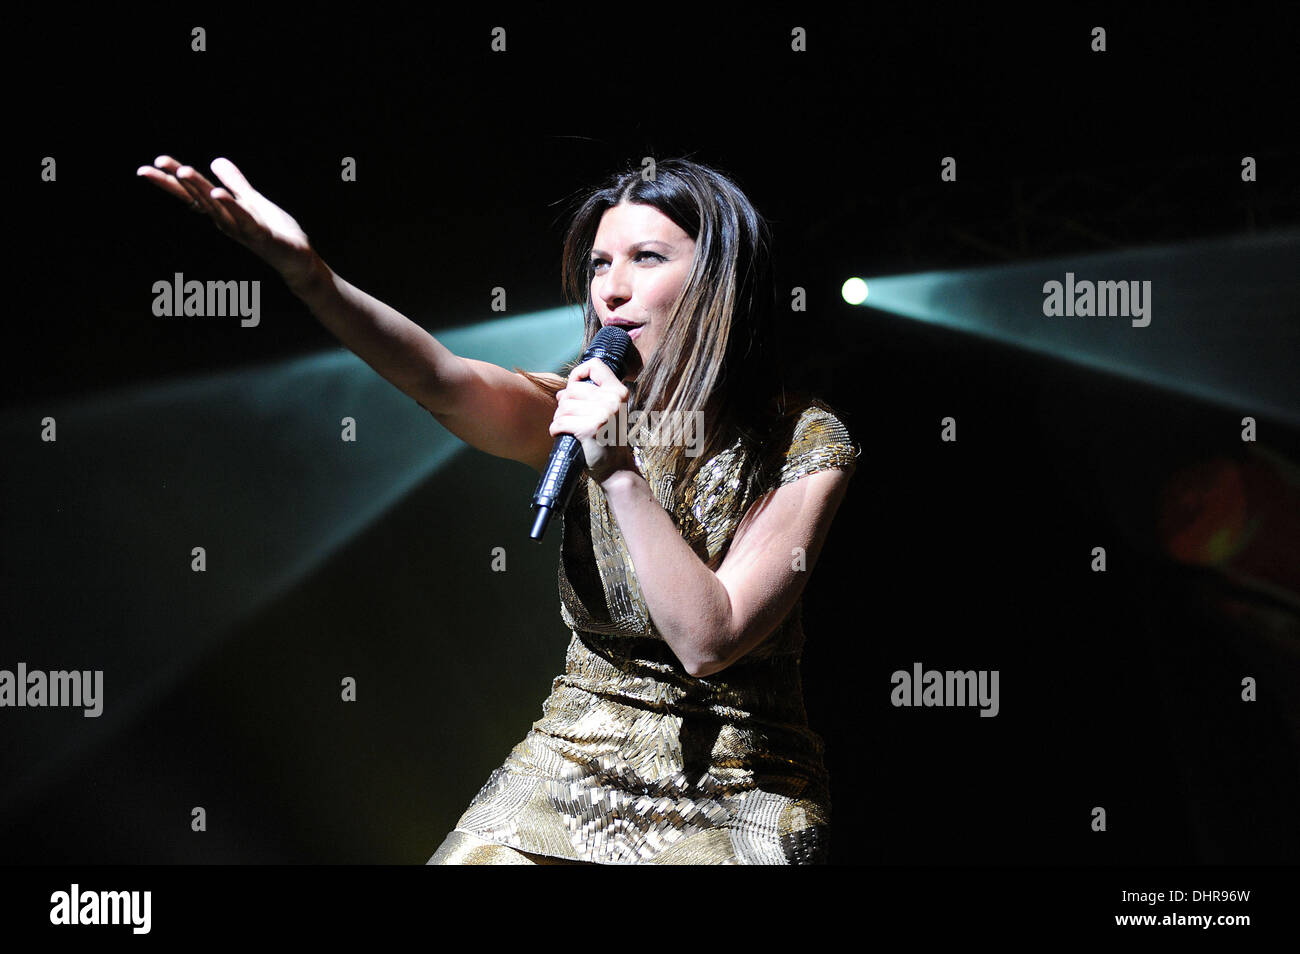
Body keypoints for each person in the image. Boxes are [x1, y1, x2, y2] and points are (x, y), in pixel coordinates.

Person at [137, 155, 861, 864]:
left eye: (646, 257)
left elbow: (709, 641)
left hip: (735, 785)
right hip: (571, 759)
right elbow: (441, 379)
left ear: (715, 281)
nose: (612, 288)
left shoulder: (802, 438)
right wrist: (311, 278)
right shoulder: (571, 410)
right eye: (599, 265)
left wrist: (616, 470)